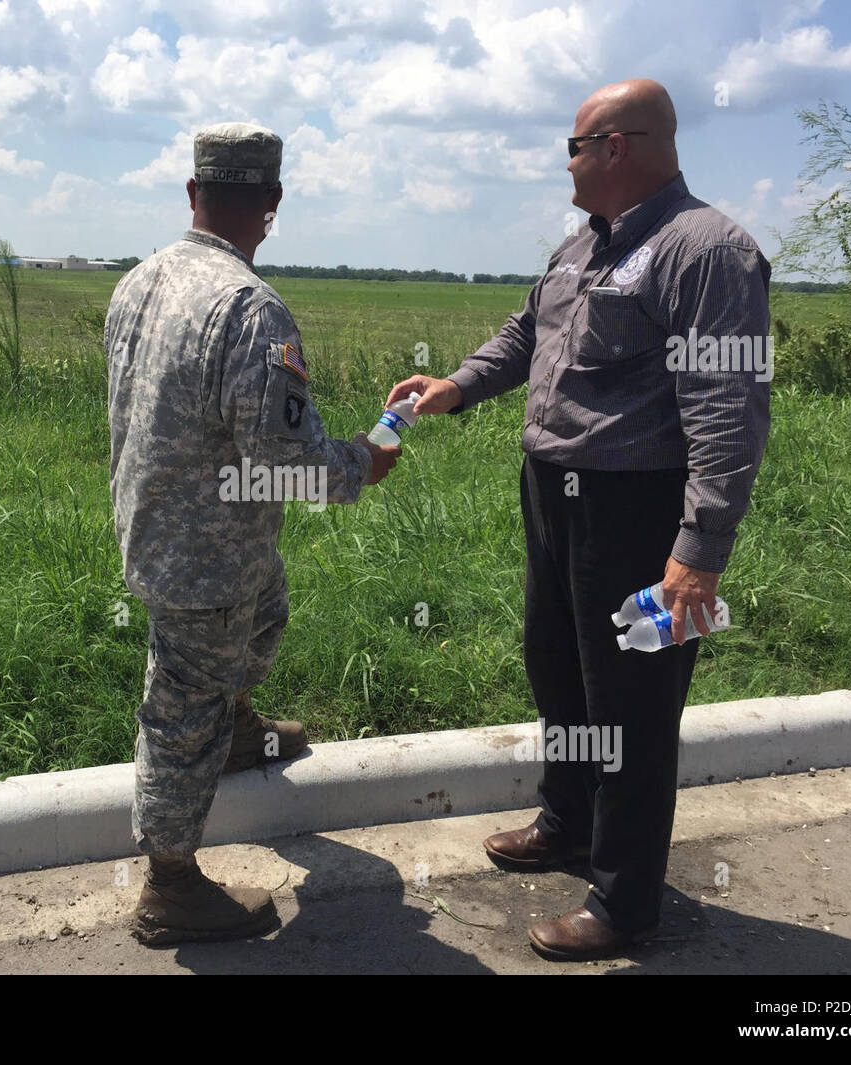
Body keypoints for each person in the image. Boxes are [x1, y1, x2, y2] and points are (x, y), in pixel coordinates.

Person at [387, 78, 771, 960]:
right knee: (557, 666)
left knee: (633, 702)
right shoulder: (578, 248)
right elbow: (526, 336)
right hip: (557, 501)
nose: (563, 161)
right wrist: (455, 386)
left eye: (572, 146)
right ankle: (567, 820)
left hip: (638, 510)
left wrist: (698, 552)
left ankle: (625, 900)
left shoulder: (707, 250)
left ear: (619, 146)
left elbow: (727, 407)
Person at [106, 121, 400, 946]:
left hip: (161, 524)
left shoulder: (139, 280)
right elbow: (291, 461)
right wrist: (364, 460)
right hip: (208, 556)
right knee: (177, 709)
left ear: (194, 193)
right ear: (270, 205)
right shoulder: (250, 307)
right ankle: (169, 887)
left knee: (267, 608)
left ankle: (236, 726)